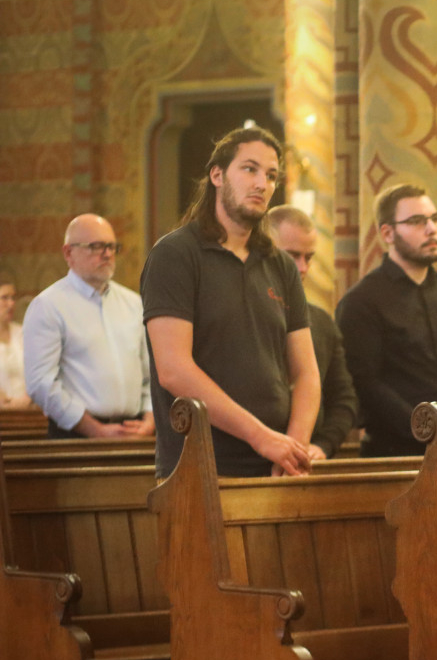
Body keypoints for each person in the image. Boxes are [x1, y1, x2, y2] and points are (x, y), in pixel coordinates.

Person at [143, 126, 320, 479]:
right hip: (200, 465)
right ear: (217, 175)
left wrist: (291, 450)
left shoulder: (280, 264)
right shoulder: (176, 255)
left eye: (271, 176)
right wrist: (261, 437)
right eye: (249, 169)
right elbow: (174, 369)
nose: (262, 184)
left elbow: (306, 374)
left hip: (274, 465)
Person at [337, 184, 437, 457]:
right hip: (394, 454)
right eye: (417, 222)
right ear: (388, 233)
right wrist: (432, 431)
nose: (432, 229)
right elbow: (366, 385)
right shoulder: (362, 301)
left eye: (435, 219)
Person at [22, 216, 153, 438]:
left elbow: (152, 373)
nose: (107, 254)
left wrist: (150, 420)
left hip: (135, 431)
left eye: (112, 246)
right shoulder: (48, 305)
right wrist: (93, 428)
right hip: (76, 434)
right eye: (95, 246)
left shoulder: (133, 303)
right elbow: (40, 382)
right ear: (68, 253)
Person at [265, 206, 359, 459]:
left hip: (306, 459)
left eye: (309, 257)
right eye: (292, 256)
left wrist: (322, 446)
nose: (303, 268)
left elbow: (344, 399)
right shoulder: (242, 315)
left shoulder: (321, 322)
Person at [0, 279, 36, 410]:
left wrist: (27, 399)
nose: (11, 304)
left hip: (29, 409)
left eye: (13, 298)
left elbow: (38, 371)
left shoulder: (23, 333)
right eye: (4, 298)